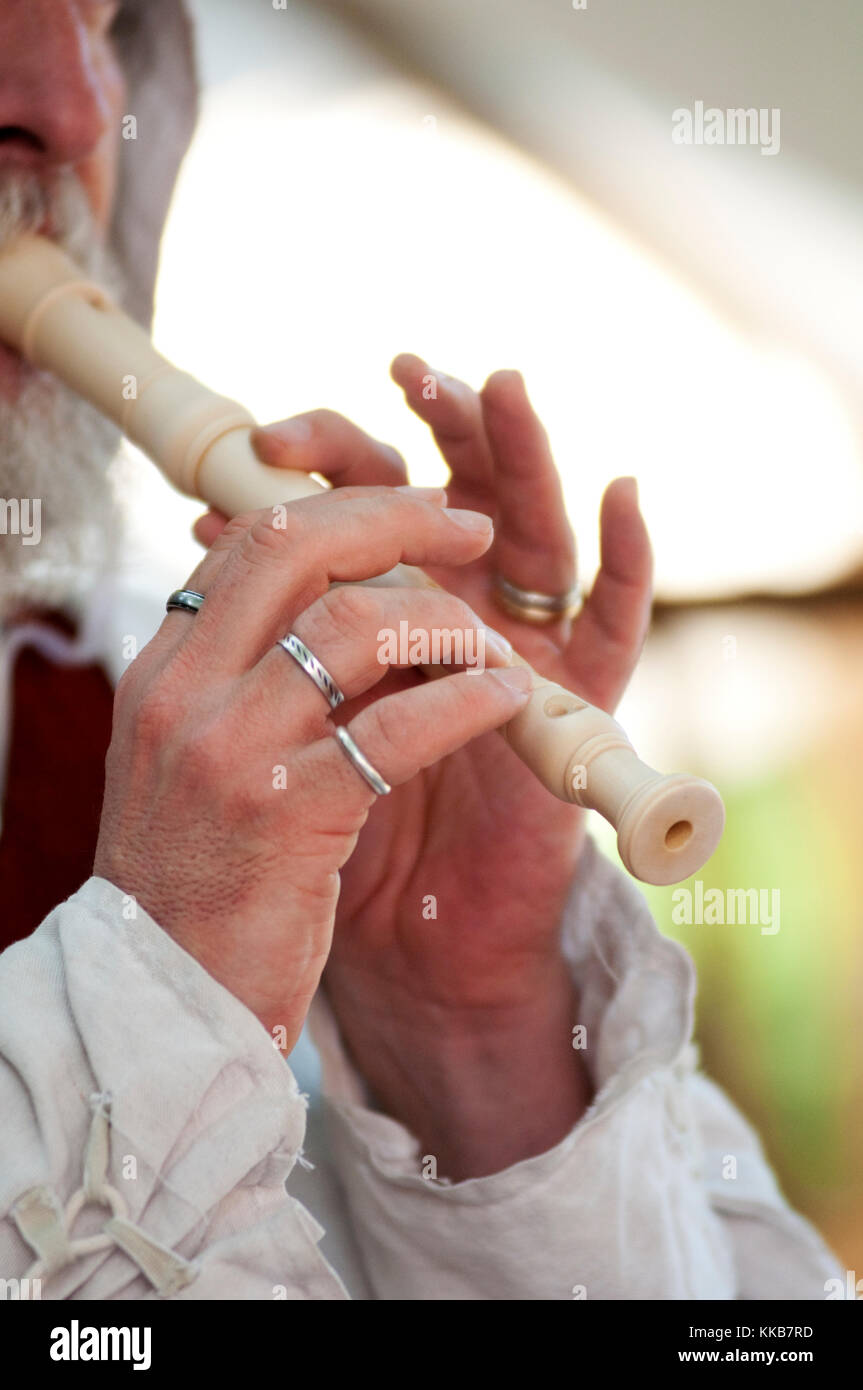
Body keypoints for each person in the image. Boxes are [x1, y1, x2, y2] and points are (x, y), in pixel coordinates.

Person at [0, 0, 840, 1300]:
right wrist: (143, 1010)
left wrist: (468, 1028)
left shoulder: (141, 720)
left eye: (106, 13)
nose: (65, 111)